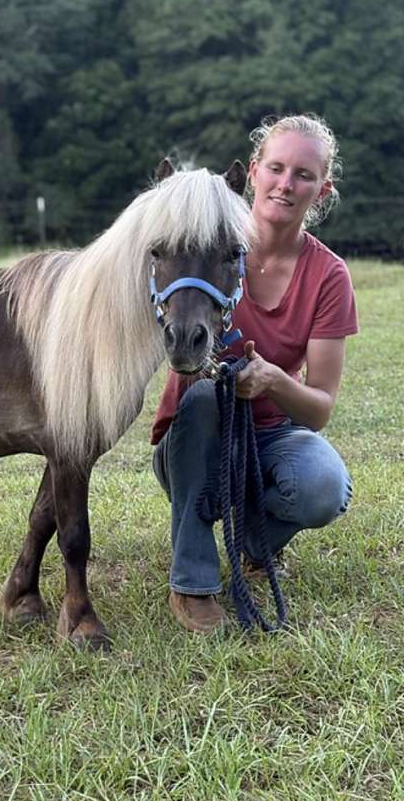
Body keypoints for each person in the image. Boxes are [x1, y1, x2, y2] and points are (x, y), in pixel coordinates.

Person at [151, 114, 359, 633]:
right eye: (276, 168)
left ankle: (251, 542)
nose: (286, 184)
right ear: (253, 174)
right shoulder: (203, 241)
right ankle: (192, 584)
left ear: (322, 189)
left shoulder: (329, 275)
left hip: (272, 437)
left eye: (303, 175)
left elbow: (320, 408)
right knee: (200, 402)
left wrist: (273, 381)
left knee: (325, 485)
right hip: (193, 444)